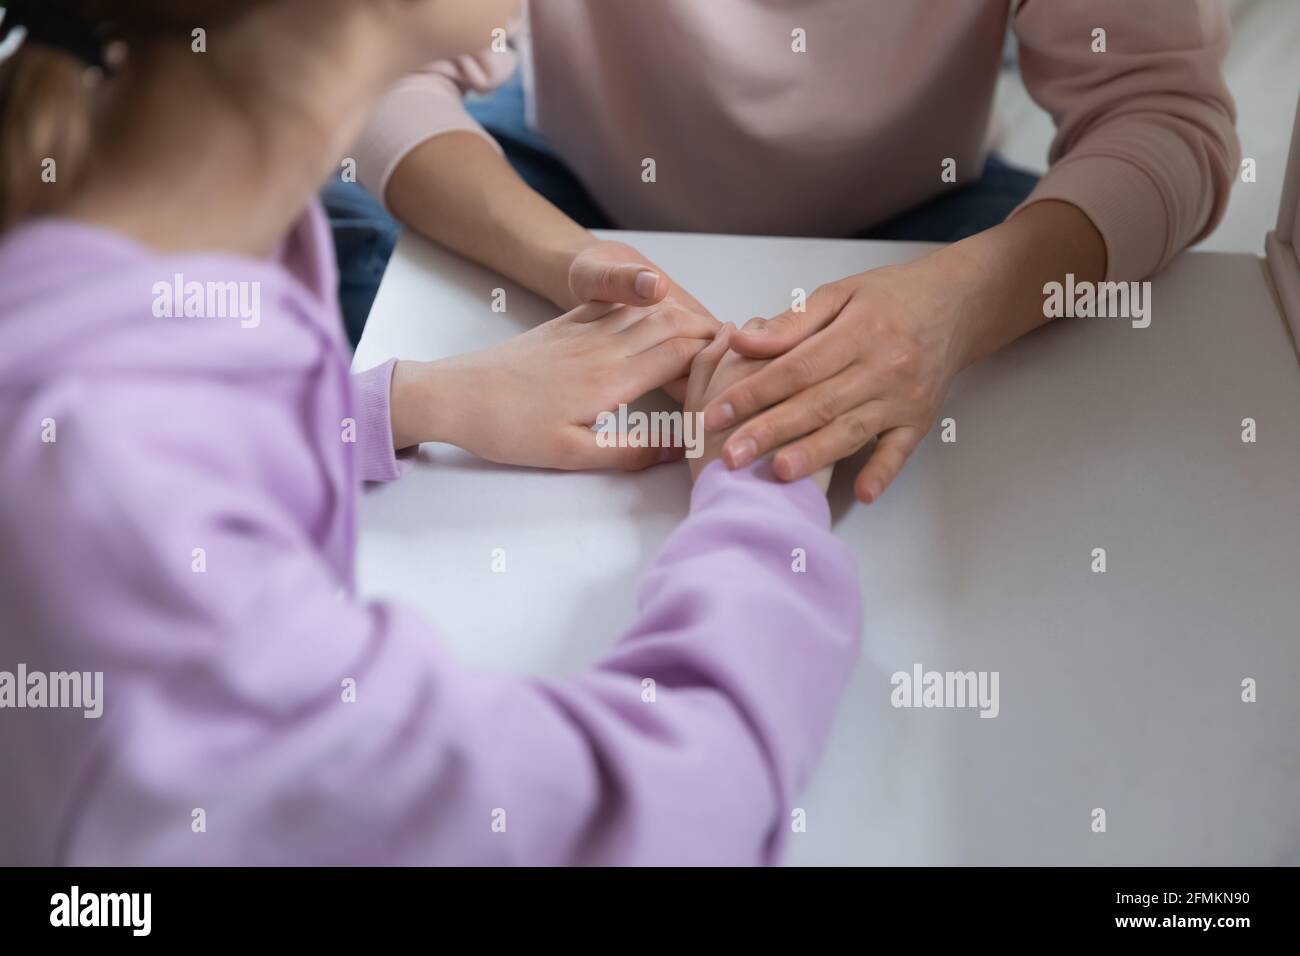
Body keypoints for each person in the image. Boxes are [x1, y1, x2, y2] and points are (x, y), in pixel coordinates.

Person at [0, 0, 859, 865]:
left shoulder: (160, 247)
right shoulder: (119, 503)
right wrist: (760, 478)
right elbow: (673, 817)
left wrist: (403, 404)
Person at [347, 0, 1239, 504]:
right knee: (332, 221)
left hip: (933, 209)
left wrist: (966, 300)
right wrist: (573, 266)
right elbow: (366, 70)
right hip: (569, 181)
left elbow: (1163, 117)